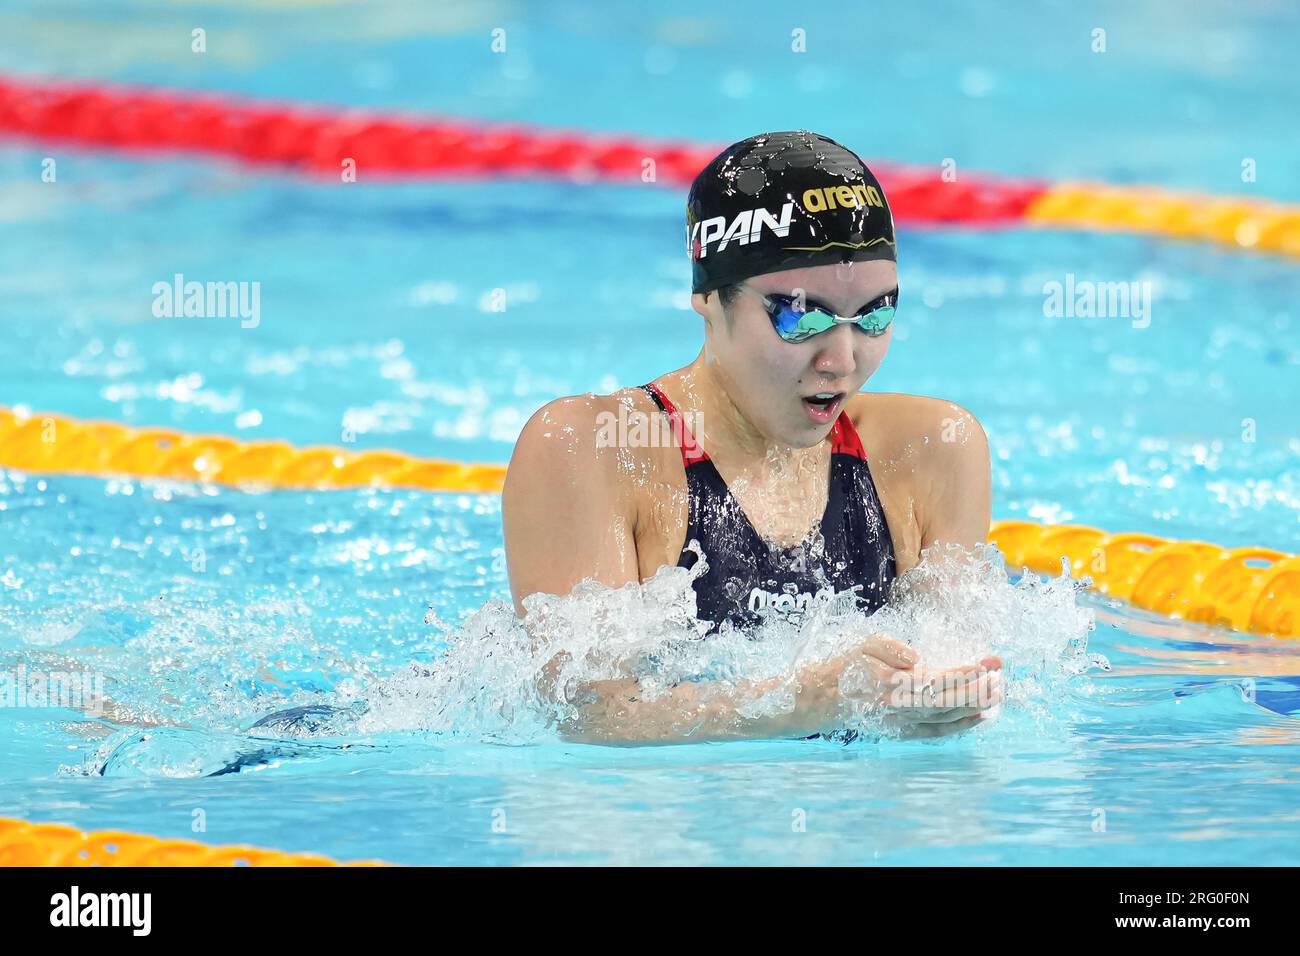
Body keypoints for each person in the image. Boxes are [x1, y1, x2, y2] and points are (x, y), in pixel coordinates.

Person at [503, 131, 1002, 744]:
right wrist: (800, 703)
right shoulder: (596, 448)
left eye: (875, 314)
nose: (842, 360)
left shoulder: (934, 450)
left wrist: (952, 697)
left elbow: (950, 665)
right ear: (709, 298)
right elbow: (586, 716)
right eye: (800, 315)